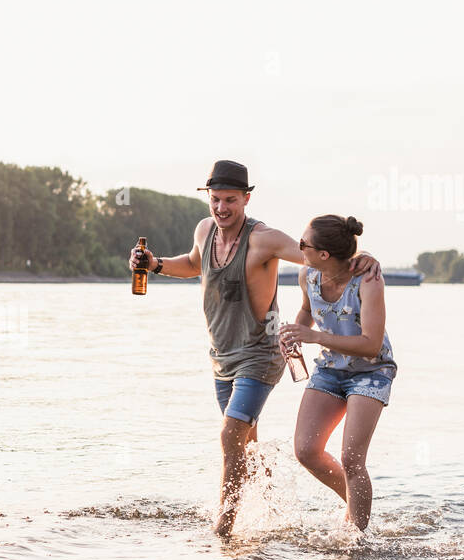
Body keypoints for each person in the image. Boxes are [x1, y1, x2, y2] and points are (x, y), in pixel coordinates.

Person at [129, 160, 380, 538]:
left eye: (230, 200)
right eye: (215, 200)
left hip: (260, 355)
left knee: (230, 434)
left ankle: (224, 530)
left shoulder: (265, 239)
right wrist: (156, 264)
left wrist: (361, 259)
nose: (221, 208)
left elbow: (319, 257)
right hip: (221, 357)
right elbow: (194, 264)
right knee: (244, 445)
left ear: (246, 199)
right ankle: (274, 513)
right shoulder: (204, 231)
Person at [278, 215, 397, 532]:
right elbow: (306, 309)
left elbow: (371, 345)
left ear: (325, 254)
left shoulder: (368, 281)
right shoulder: (308, 275)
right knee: (306, 451)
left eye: (305, 244)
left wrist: (316, 337)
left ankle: (358, 539)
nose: (299, 246)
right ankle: (355, 502)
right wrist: (295, 333)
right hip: (331, 368)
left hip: (371, 371)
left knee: (352, 459)